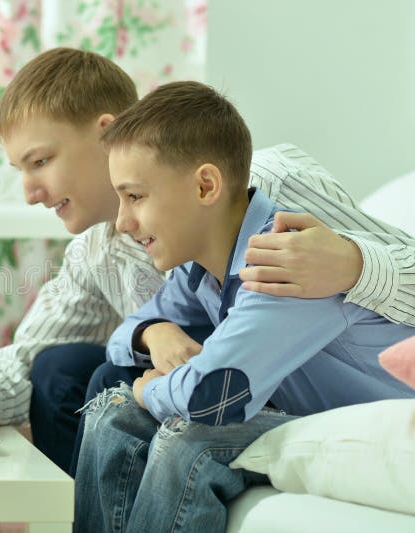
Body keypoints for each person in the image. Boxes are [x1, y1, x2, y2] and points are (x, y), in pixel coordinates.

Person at [0, 48, 415, 476]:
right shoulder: (96, 254)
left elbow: (396, 271)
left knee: (109, 384)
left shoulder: (266, 186)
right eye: (19, 169)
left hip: (259, 385)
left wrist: (354, 263)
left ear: (106, 132)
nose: (28, 191)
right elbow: (31, 352)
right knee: (61, 368)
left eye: (40, 161)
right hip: (199, 387)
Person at [74, 80, 415, 533]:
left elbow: (211, 395)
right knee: (110, 412)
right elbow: (123, 336)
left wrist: (147, 390)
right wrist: (155, 331)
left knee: (181, 435)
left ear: (206, 186)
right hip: (298, 411)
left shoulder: (284, 263)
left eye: (135, 196)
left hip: (374, 421)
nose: (121, 222)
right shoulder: (198, 267)